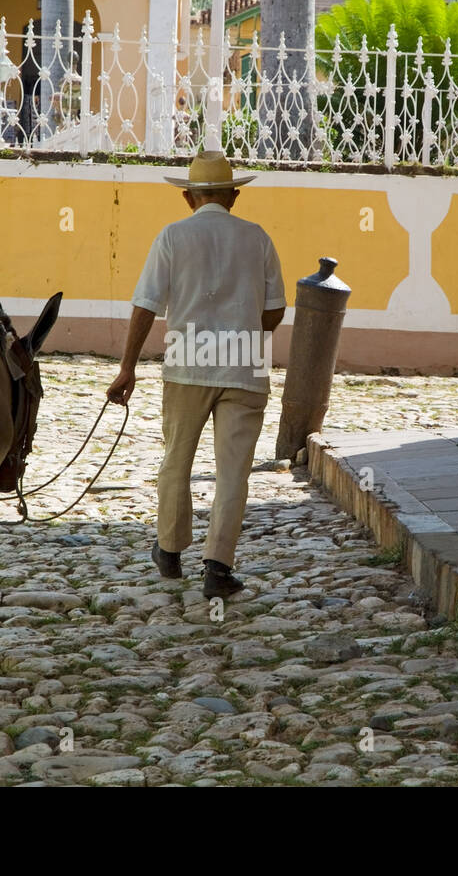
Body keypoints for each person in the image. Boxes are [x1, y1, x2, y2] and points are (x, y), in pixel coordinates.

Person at [107, 152, 286, 599]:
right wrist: (241, 328)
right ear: (235, 196)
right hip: (245, 366)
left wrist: (128, 367)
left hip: (187, 364)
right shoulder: (258, 238)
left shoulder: (172, 236)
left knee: (176, 459)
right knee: (233, 472)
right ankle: (218, 568)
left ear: (188, 197)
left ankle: (169, 548)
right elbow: (275, 311)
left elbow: (146, 303)